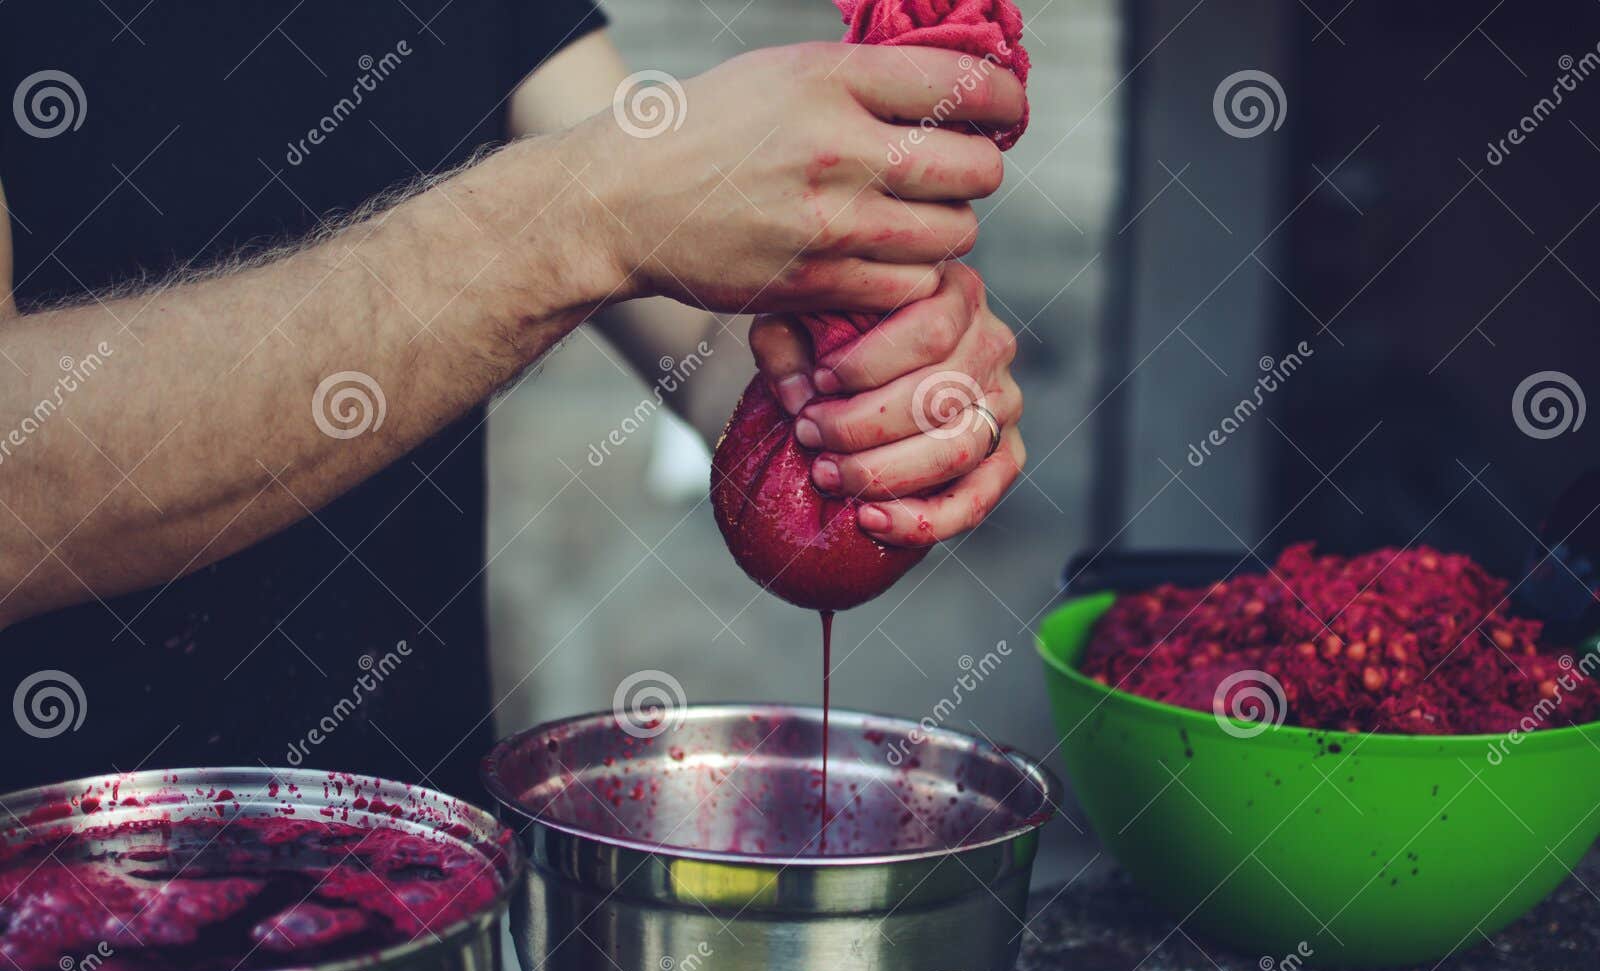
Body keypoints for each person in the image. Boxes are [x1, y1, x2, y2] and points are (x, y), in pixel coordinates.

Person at [0, 2, 1026, 800]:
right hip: (54, 927)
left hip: (417, 880)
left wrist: (863, 382)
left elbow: (710, 344)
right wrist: (581, 214)